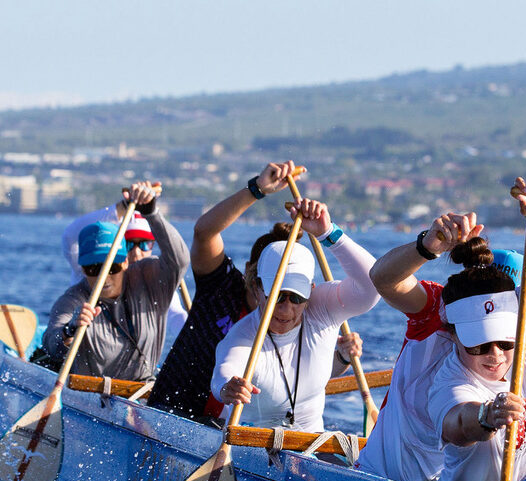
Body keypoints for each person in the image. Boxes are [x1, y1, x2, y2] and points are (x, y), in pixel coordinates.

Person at [362, 177, 526, 481]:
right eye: (478, 344)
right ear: (452, 330)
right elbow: (382, 278)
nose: (495, 354)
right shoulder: (437, 310)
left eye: (506, 342)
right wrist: (426, 246)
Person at [147, 162, 362, 424]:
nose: (285, 302)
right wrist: (257, 189)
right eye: (272, 283)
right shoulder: (221, 285)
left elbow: (297, 379)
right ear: (252, 270)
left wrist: (339, 356)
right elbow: (204, 232)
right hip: (173, 411)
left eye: (292, 290)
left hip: (228, 426)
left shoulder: (296, 314)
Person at [211, 197, 379, 432]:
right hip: (251, 444)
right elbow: (224, 371)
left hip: (312, 444)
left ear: (310, 291)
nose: (286, 308)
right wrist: (227, 388)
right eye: (277, 296)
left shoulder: (322, 309)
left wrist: (329, 233)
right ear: (257, 288)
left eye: (296, 297)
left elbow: (372, 286)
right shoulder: (243, 336)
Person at [41, 181, 190, 381]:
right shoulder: (73, 301)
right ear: (83, 269)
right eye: (94, 268)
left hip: (142, 392)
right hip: (89, 397)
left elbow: (180, 260)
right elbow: (52, 343)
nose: (104, 276)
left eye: (112, 267)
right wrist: (70, 330)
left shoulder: (149, 279)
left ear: (125, 262)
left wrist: (151, 212)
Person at [62, 201, 187, 336]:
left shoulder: (155, 280)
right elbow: (69, 237)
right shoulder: (93, 271)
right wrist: (120, 208)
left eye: (145, 244)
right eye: (128, 244)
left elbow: (175, 315)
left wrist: (196, 335)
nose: (137, 253)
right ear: (117, 245)